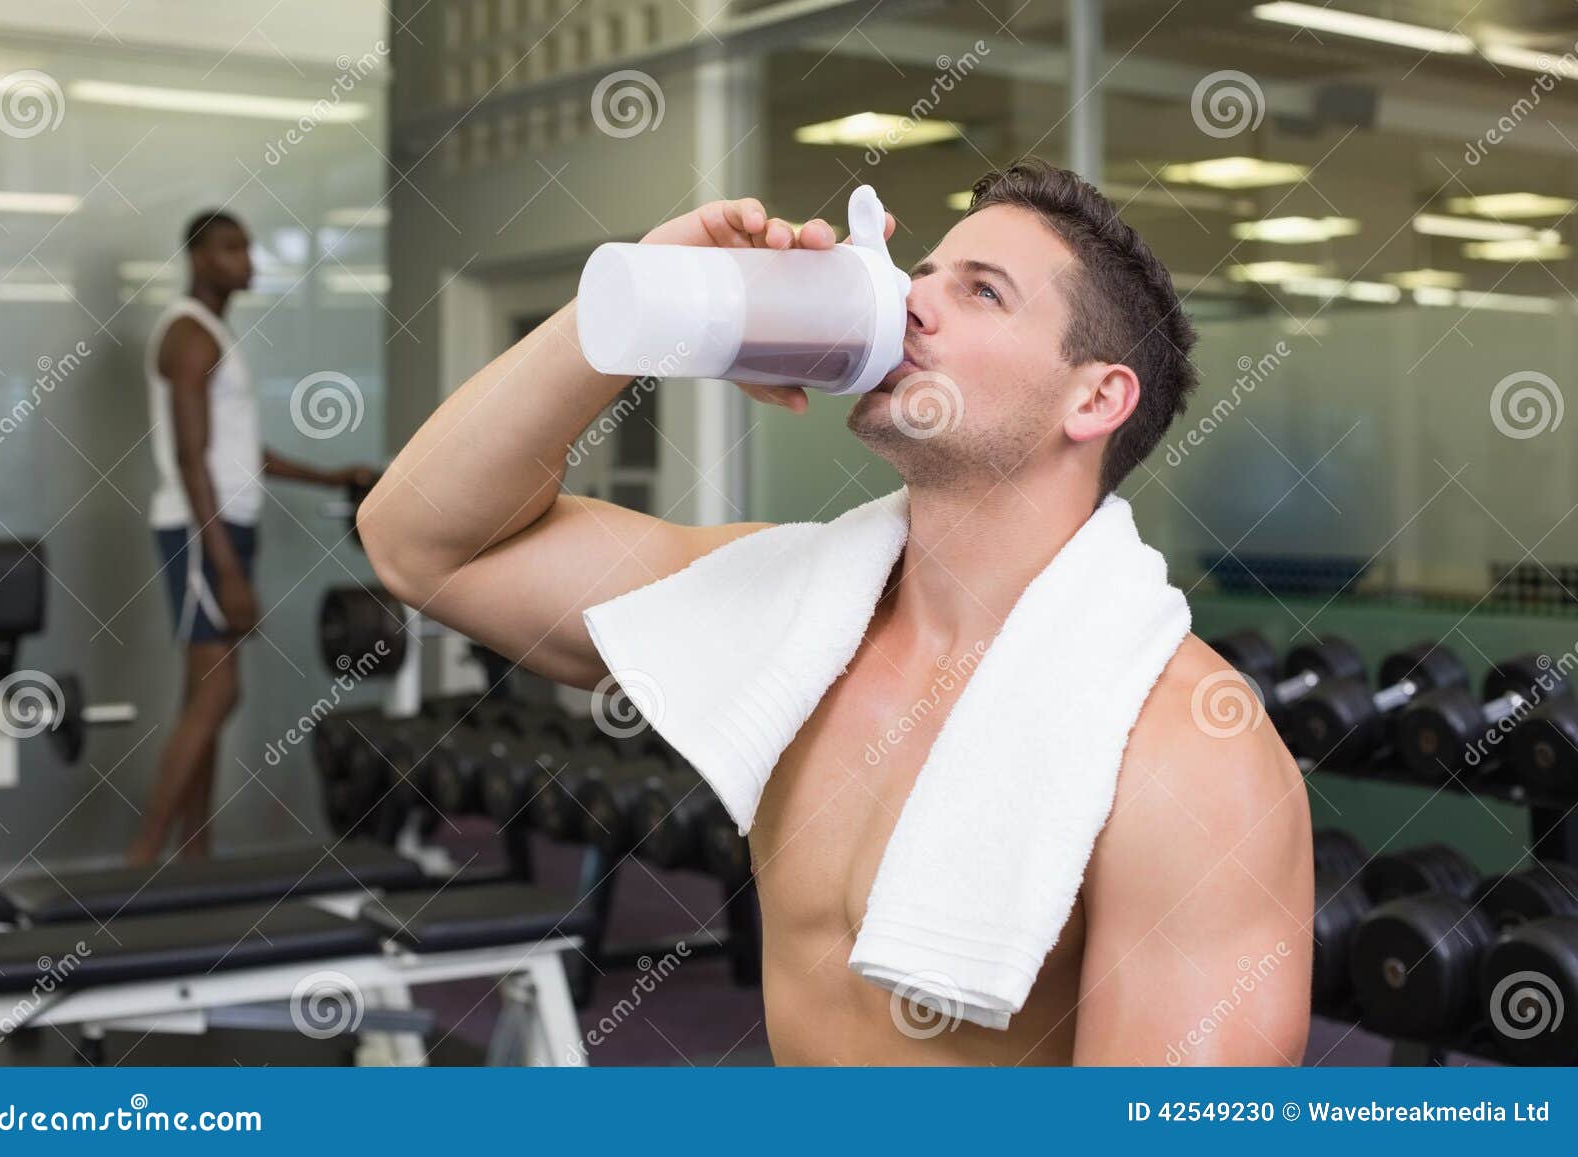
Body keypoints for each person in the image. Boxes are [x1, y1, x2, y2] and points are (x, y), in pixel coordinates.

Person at [358, 157, 1313, 1065]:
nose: (910, 299)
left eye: (980, 291)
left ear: (1095, 397)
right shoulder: (791, 613)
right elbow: (421, 543)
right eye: (921, 271)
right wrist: (645, 305)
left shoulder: (1191, 755)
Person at [131, 209, 375, 866]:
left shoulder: (212, 334)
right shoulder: (189, 336)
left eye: (247, 247)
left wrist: (331, 475)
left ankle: (195, 855)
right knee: (220, 692)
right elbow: (190, 458)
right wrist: (228, 572)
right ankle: (139, 863)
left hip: (222, 525)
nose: (247, 261)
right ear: (199, 257)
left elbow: (237, 452)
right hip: (199, 529)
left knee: (201, 695)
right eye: (232, 248)